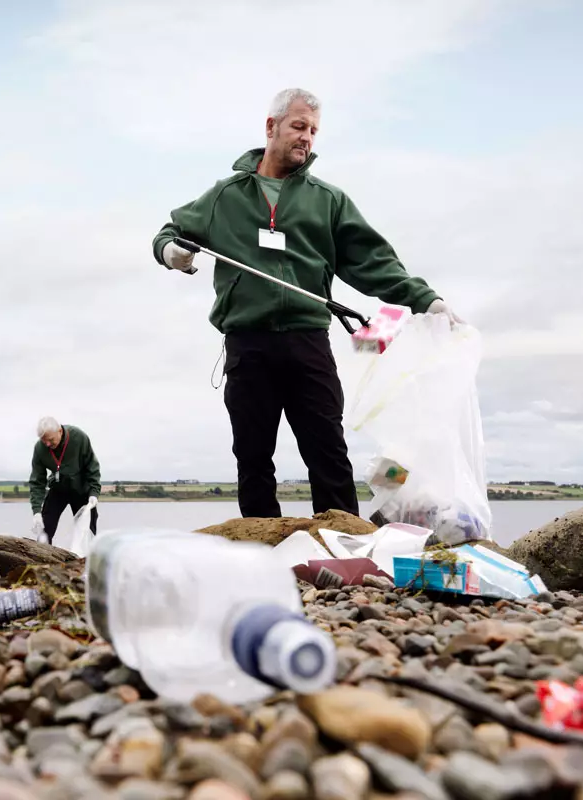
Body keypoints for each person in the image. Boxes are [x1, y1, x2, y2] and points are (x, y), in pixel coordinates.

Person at [151, 87, 461, 520]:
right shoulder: (225, 196)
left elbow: (374, 263)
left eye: (314, 131)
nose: (307, 138)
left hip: (308, 341)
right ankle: (261, 550)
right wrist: (172, 254)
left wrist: (427, 300)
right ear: (271, 127)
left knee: (327, 451)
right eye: (299, 126)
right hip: (247, 344)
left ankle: (346, 548)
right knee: (253, 456)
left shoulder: (328, 201)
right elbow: (169, 232)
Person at [28, 417, 101, 544]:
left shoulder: (79, 438)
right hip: (58, 487)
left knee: (88, 528)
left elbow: (92, 466)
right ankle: (42, 558)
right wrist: (36, 512)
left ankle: (87, 559)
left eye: (50, 440)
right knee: (45, 527)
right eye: (44, 441)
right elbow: (37, 481)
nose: (48, 444)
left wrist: (94, 493)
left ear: (60, 431)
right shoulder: (40, 448)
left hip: (81, 488)